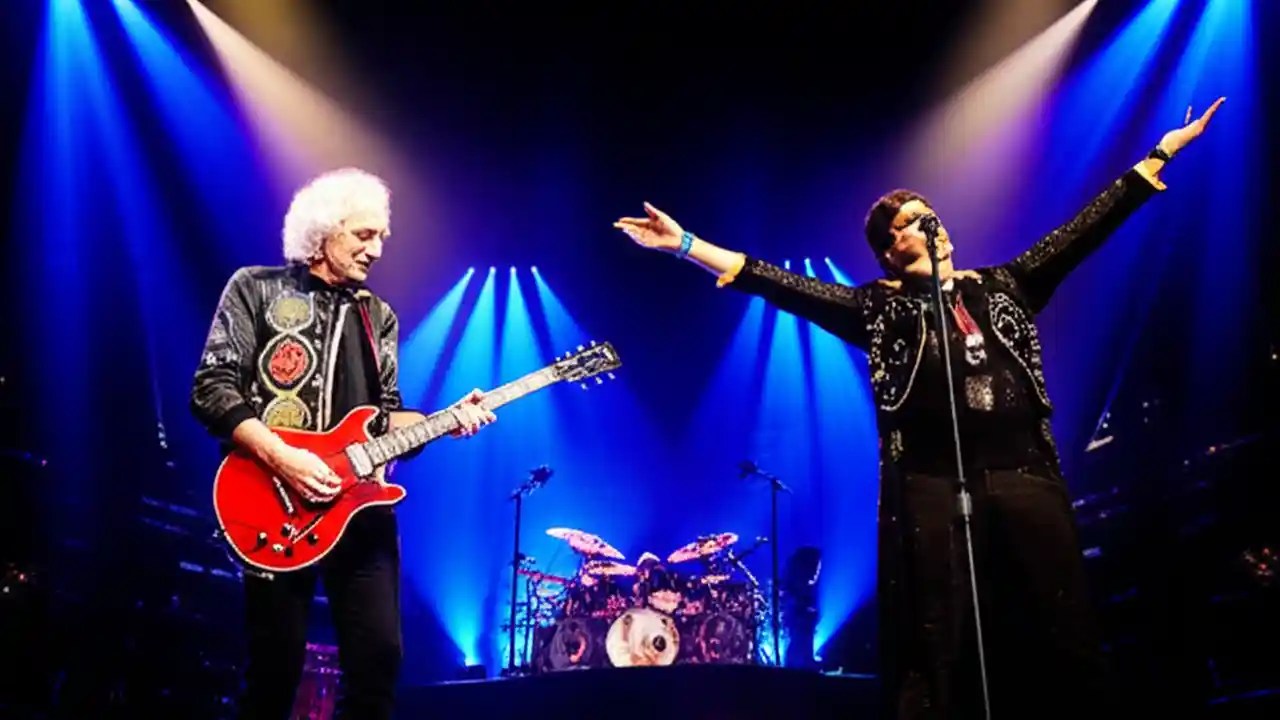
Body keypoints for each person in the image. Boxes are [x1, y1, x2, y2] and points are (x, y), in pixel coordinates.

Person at [614, 99, 1224, 718]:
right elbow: (775, 281)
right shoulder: (876, 309)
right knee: (939, 635)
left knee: (1057, 619)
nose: (925, 223)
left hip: (1025, 473)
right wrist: (686, 243)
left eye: (928, 215)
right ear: (888, 249)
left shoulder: (1006, 284)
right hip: (929, 482)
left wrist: (1161, 152)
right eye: (909, 221)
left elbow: (1083, 231)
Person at [190, 167, 496, 720]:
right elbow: (212, 388)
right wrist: (285, 458)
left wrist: (445, 420)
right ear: (323, 231)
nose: (377, 249)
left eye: (381, 236)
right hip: (273, 500)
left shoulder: (377, 316)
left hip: (359, 510)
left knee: (380, 661)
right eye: (363, 234)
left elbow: (381, 422)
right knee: (273, 669)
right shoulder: (256, 288)